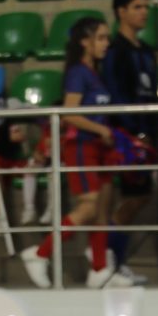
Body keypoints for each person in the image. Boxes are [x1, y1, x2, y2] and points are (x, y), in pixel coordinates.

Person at [18, 18, 121, 289]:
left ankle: (99, 269)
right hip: (80, 147)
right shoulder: (78, 72)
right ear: (84, 42)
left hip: (97, 148)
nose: (106, 43)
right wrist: (100, 130)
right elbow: (70, 113)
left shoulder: (94, 72)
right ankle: (40, 254)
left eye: (106, 38)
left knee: (100, 209)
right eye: (100, 38)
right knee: (88, 206)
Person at [102, 0, 158, 284]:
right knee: (133, 199)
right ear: (121, 12)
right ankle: (112, 261)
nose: (143, 12)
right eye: (137, 7)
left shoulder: (147, 52)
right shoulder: (115, 53)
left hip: (147, 134)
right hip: (127, 137)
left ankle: (116, 261)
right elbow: (117, 95)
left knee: (139, 198)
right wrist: (131, 133)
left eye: (145, 7)